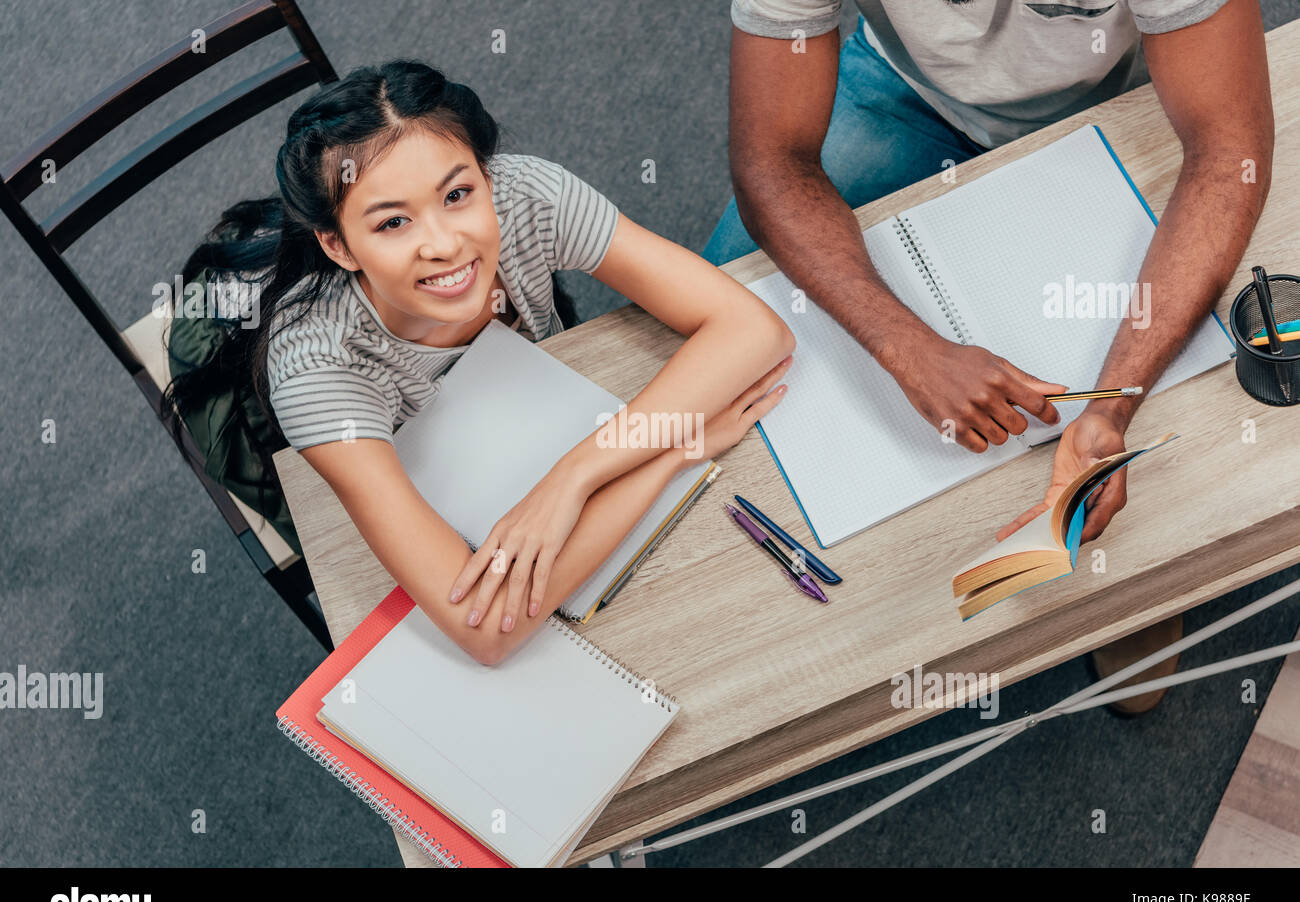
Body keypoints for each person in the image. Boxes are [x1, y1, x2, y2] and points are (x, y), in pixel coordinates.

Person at [708, 0, 1273, 712]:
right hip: (901, 90)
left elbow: (1229, 152)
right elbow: (769, 159)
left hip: (1103, 103)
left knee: (1161, 367)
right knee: (706, 352)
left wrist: (1112, 404)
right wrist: (905, 345)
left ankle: (1132, 569)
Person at [165, 60, 796, 666]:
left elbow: (754, 330)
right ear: (337, 244)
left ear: (487, 177)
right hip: (416, 481)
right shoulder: (317, 364)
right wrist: (673, 451)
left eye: (458, 193)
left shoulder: (524, 193)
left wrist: (573, 476)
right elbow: (490, 630)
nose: (444, 243)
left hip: (534, 432)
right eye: (391, 223)